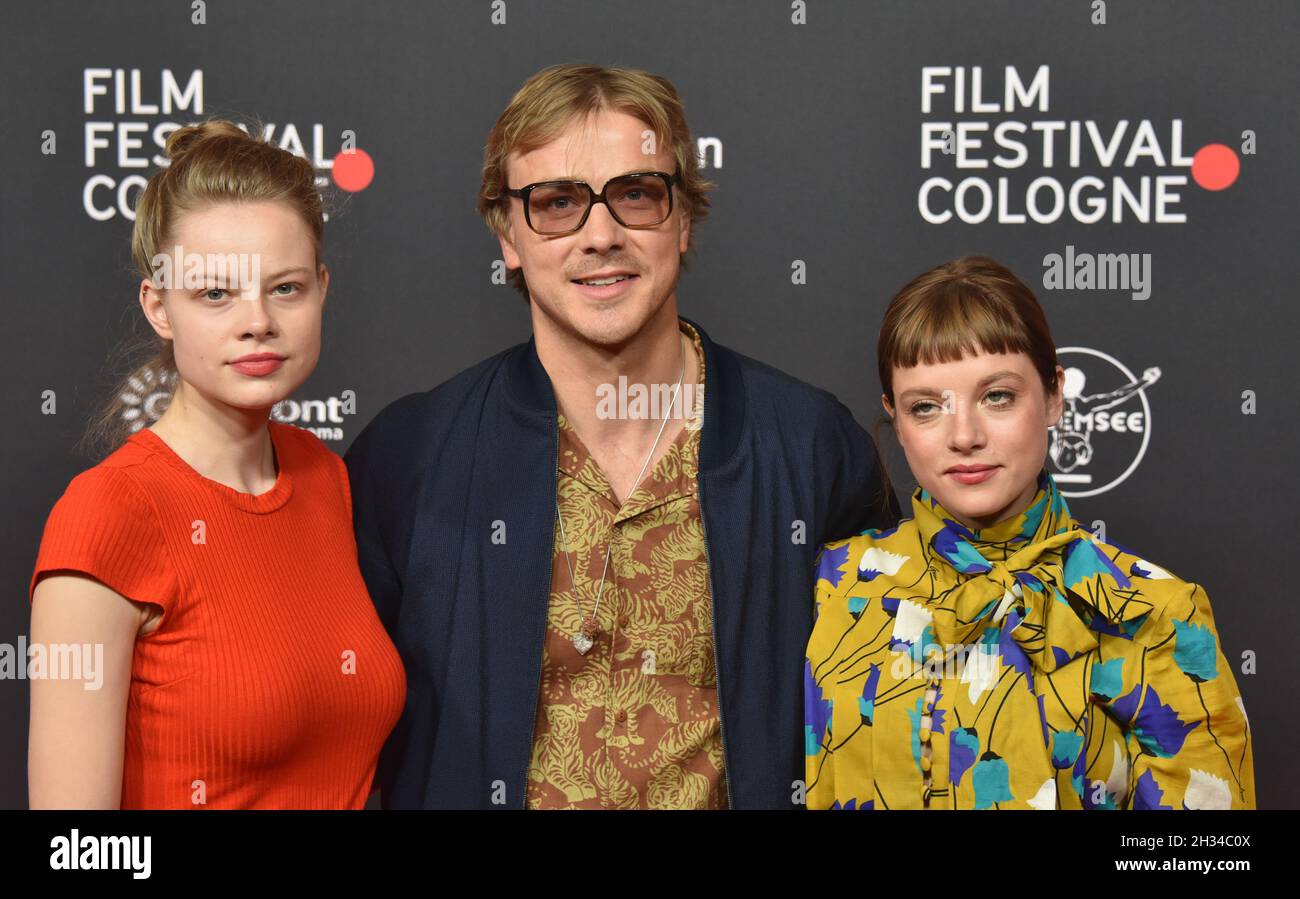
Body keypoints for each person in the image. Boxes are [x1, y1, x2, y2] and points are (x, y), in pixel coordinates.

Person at [344, 63, 898, 809]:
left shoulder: (806, 444)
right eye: (557, 202)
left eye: (635, 195)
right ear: (509, 234)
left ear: (684, 219)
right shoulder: (409, 456)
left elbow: (893, 706)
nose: (600, 235)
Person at [27, 120, 406, 809]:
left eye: (285, 288)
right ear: (158, 305)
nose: (256, 319)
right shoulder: (108, 513)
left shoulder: (326, 477)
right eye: (214, 294)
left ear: (322, 288)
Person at [803, 255, 1255, 809]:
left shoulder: (1156, 610)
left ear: (1053, 396)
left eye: (997, 396)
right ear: (895, 418)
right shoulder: (834, 586)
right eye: (926, 407)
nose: (964, 435)